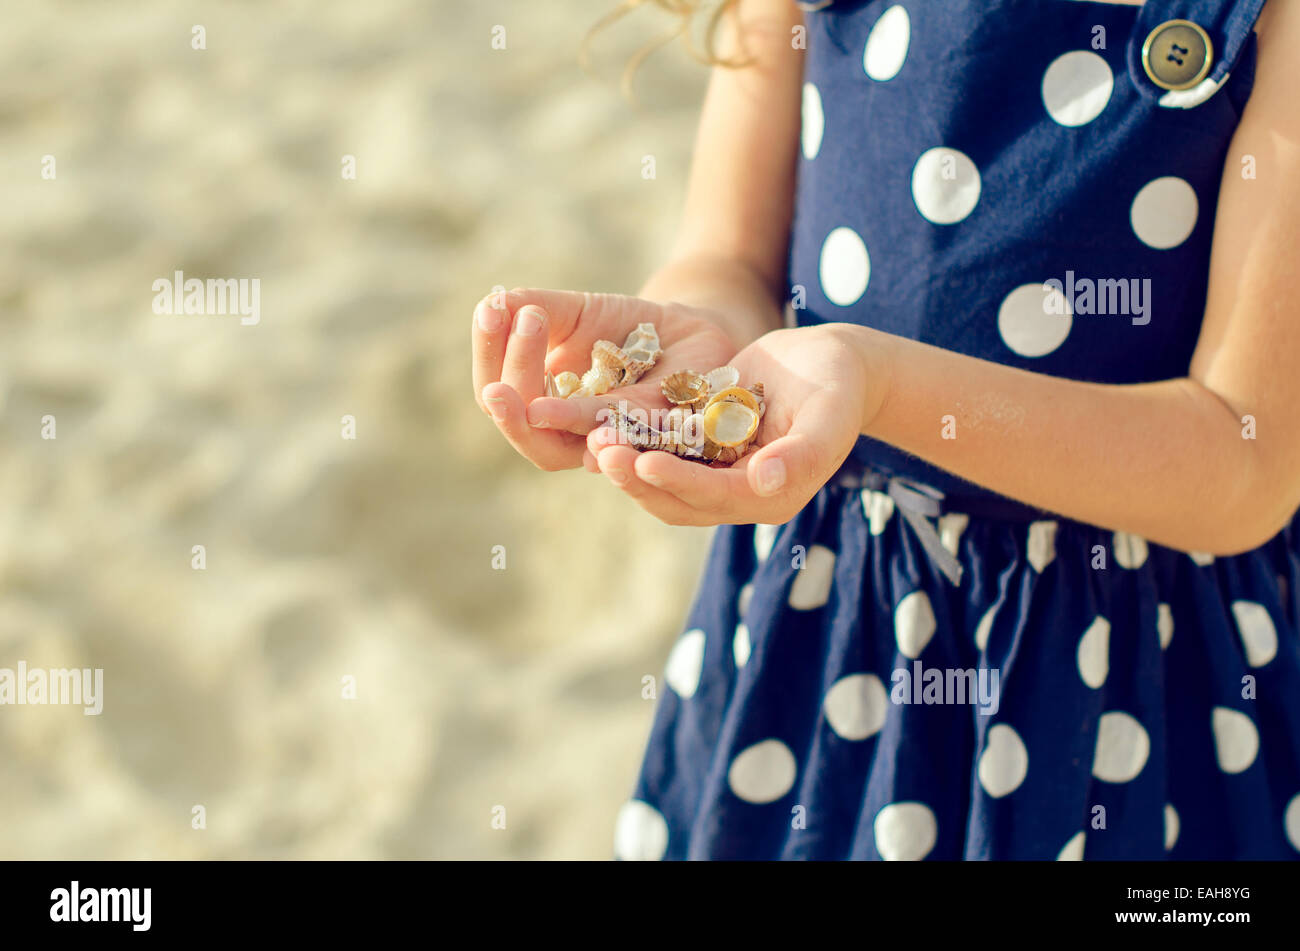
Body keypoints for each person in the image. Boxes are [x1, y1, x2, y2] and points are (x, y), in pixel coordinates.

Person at [471, 0, 1300, 859]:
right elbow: (731, 259)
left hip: (1128, 661)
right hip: (831, 614)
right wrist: (692, 346)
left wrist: (881, 384)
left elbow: (1243, 463)